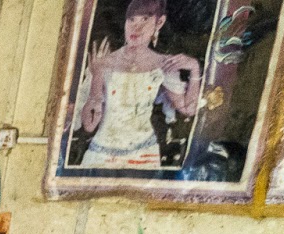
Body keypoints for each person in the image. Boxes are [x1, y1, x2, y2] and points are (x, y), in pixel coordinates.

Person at [77, 0, 201, 168]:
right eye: (132, 20)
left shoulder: (163, 64)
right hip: (101, 154)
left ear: (160, 22)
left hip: (145, 154)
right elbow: (89, 125)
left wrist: (194, 68)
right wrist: (97, 74)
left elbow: (189, 109)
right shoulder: (105, 61)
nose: (136, 27)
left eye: (144, 20)